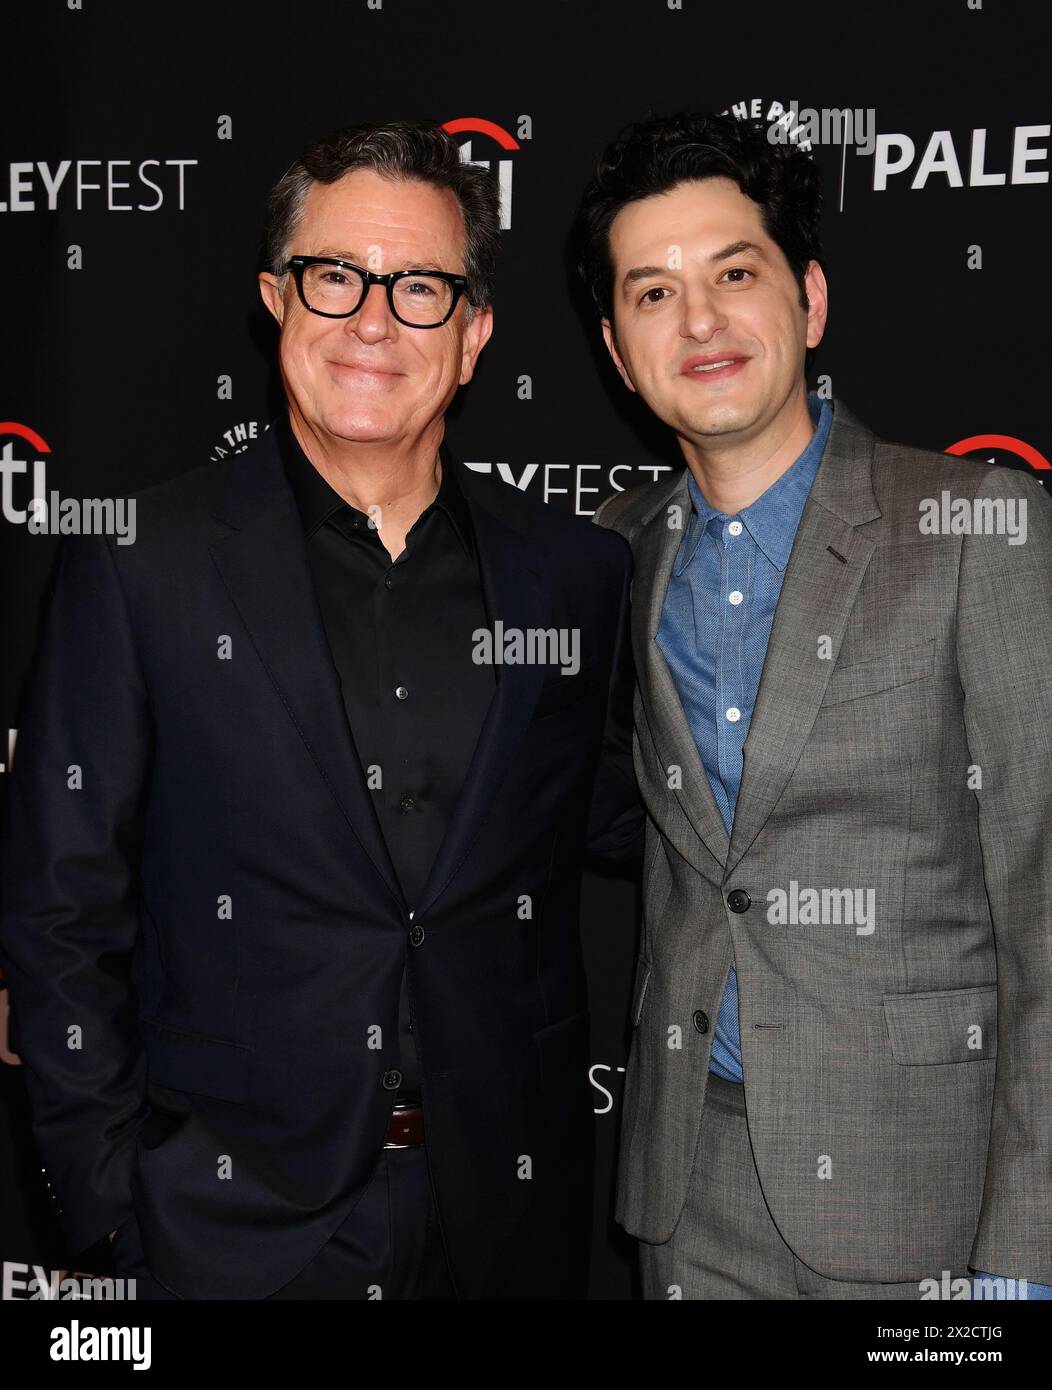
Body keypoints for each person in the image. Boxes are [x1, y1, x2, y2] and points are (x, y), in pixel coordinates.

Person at [0, 119, 640, 1300]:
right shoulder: (144, 564)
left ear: (473, 335)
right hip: (226, 1233)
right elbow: (60, 910)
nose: (373, 320)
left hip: (502, 1221)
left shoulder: (576, 574)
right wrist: (110, 1208)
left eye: (420, 288)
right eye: (335, 275)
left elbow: (632, 823)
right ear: (275, 298)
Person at [576, 109, 1052, 1299]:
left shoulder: (973, 532)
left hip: (926, 1198)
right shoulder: (607, 557)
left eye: (734, 273)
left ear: (809, 300)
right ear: (616, 349)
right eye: (651, 292)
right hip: (687, 1192)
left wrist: (1024, 1252)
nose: (698, 320)